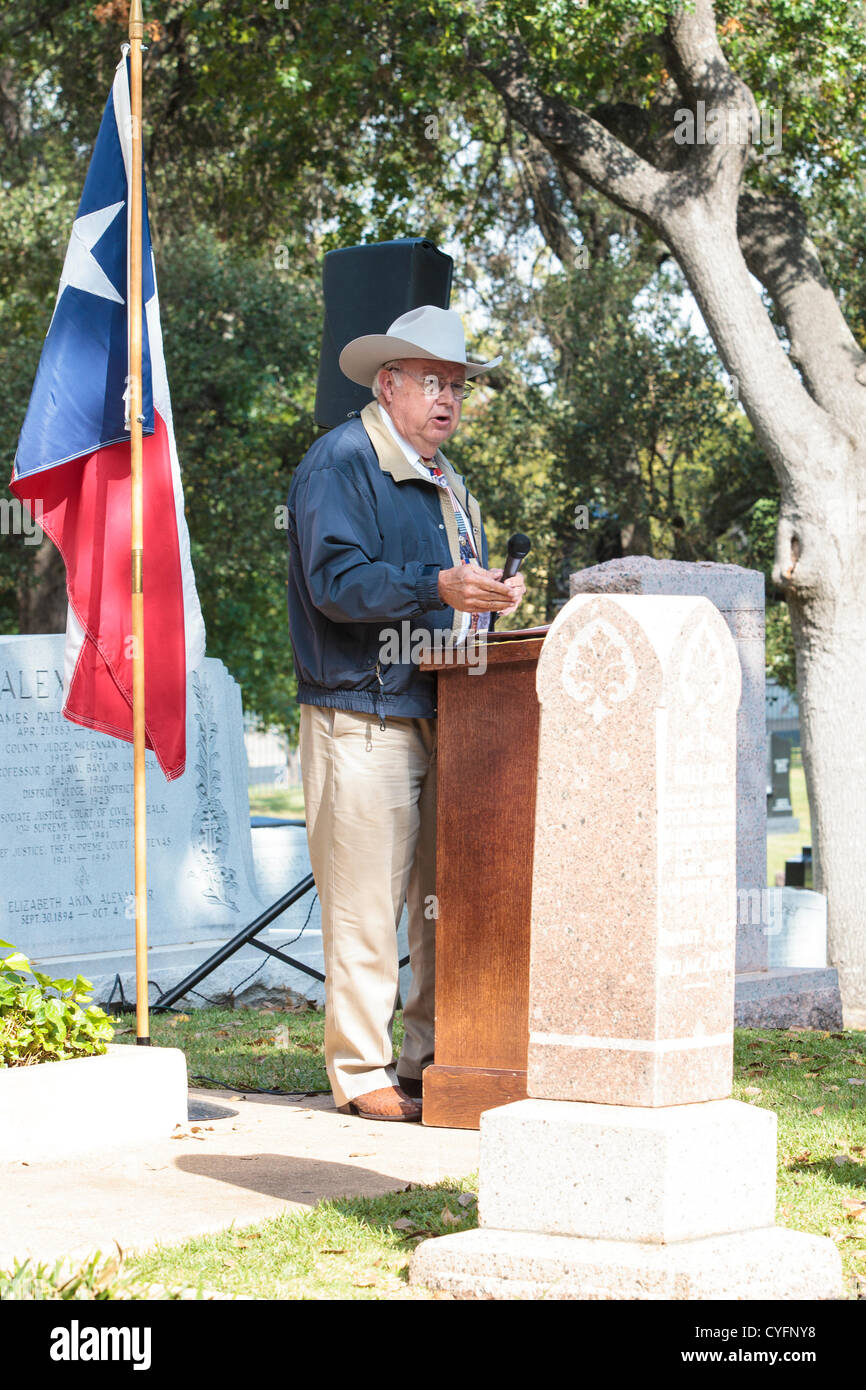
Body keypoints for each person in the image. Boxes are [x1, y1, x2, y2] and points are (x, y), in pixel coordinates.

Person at [286, 305, 525, 1120]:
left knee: (441, 902)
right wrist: (437, 584)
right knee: (365, 908)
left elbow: (449, 592)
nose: (449, 398)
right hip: (362, 715)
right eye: (433, 381)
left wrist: (487, 597)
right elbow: (336, 584)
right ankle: (361, 1073)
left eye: (457, 384)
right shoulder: (342, 461)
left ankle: (428, 1060)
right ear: (387, 383)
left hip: (444, 714)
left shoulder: (451, 482)